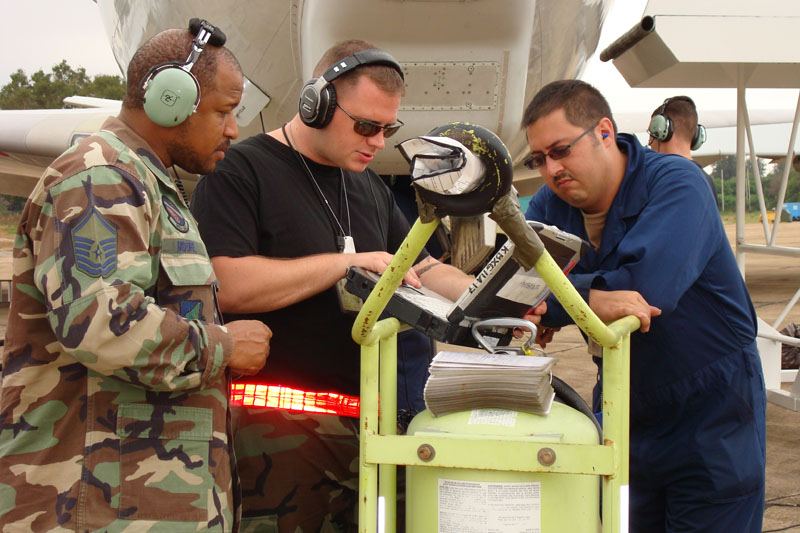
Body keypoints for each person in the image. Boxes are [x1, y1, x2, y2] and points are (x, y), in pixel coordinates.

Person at [190, 40, 476, 531]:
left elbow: (422, 267)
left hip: (369, 429)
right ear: (316, 104)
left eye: (388, 129)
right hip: (276, 438)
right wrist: (347, 265)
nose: (378, 142)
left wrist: (487, 294)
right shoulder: (241, 170)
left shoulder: (365, 184)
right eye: (366, 125)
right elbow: (226, 283)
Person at [0, 20, 272, 532]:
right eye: (223, 110)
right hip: (93, 502)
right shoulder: (101, 180)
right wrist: (225, 346)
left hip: (135, 499)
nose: (234, 129)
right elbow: (101, 324)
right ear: (172, 100)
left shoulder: (146, 181)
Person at [523, 80, 766, 532]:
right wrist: (586, 299)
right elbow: (518, 283)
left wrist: (556, 302)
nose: (551, 169)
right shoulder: (549, 205)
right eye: (539, 159)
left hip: (711, 411)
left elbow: (644, 293)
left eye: (560, 151)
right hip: (624, 403)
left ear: (604, 131)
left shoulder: (677, 182)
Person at [648, 95, 718, 202]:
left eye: (652, 132)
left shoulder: (668, 179)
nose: (650, 140)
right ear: (696, 136)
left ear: (662, 132)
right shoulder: (707, 181)